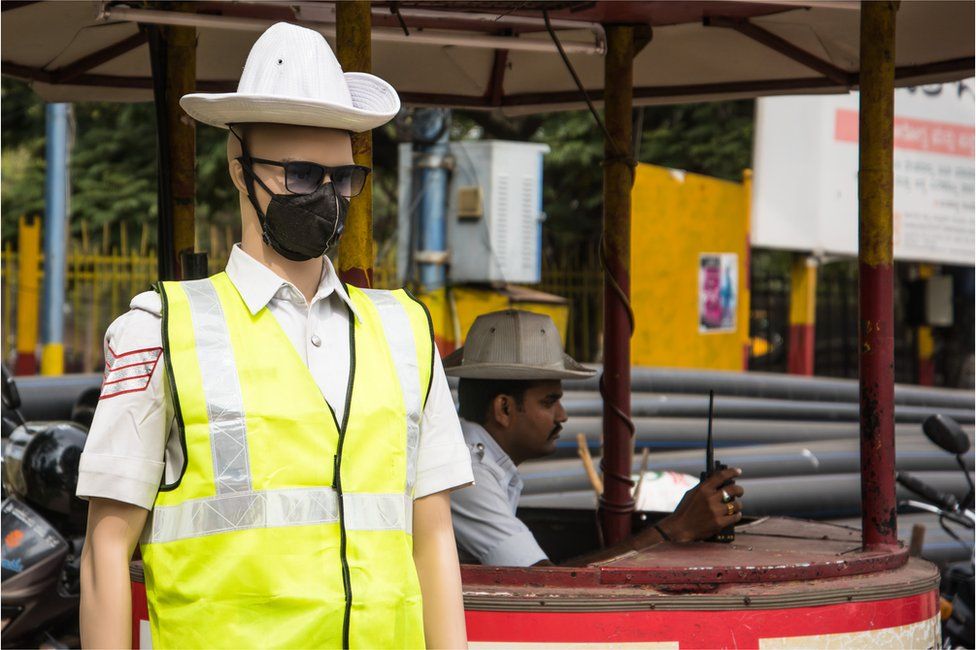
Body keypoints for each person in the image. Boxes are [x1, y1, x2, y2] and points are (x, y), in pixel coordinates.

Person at [77, 23, 473, 649]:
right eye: (300, 174)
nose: (326, 197)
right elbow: (105, 545)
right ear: (239, 168)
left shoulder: (406, 333)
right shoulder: (159, 331)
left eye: (342, 180)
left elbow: (434, 536)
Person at [447, 310, 744, 567]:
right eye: (549, 402)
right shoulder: (467, 474)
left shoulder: (482, 463)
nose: (562, 415)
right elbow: (540, 587)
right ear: (504, 408)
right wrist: (674, 529)